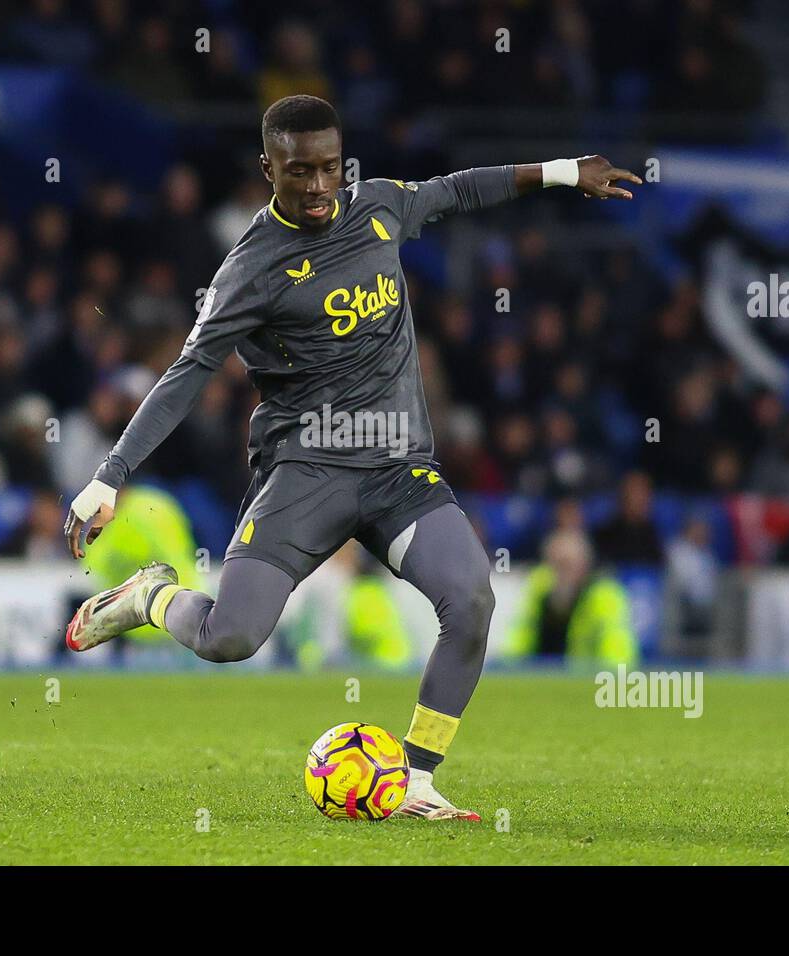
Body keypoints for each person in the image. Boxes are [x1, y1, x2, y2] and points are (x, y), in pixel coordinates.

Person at [62, 95, 640, 821]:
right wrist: (108, 477)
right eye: (296, 170)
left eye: (328, 167)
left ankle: (419, 778)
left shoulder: (379, 207)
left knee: (472, 600)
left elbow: (461, 189)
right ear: (266, 168)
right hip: (304, 472)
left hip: (398, 469)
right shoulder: (251, 270)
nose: (315, 185)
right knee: (229, 637)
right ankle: (149, 596)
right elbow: (187, 372)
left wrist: (561, 172)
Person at [507, 529, 638, 668]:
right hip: (540, 677)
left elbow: (617, 650)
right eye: (554, 564)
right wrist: (511, 665)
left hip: (585, 677)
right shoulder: (538, 591)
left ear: (584, 566)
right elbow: (517, 642)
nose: (560, 572)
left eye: (567, 564)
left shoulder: (605, 597)